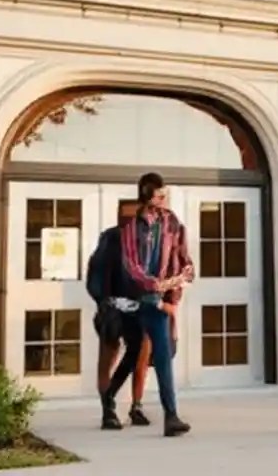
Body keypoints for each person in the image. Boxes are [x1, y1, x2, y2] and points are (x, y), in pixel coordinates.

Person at [101, 173, 194, 437]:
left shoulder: (172, 223)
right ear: (147, 196)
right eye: (159, 194)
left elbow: (182, 256)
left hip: (158, 305)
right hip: (134, 302)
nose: (164, 198)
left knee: (163, 358)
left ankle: (171, 416)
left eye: (165, 194)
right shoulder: (132, 228)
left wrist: (179, 285)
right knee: (132, 355)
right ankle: (108, 400)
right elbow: (132, 268)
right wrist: (155, 287)